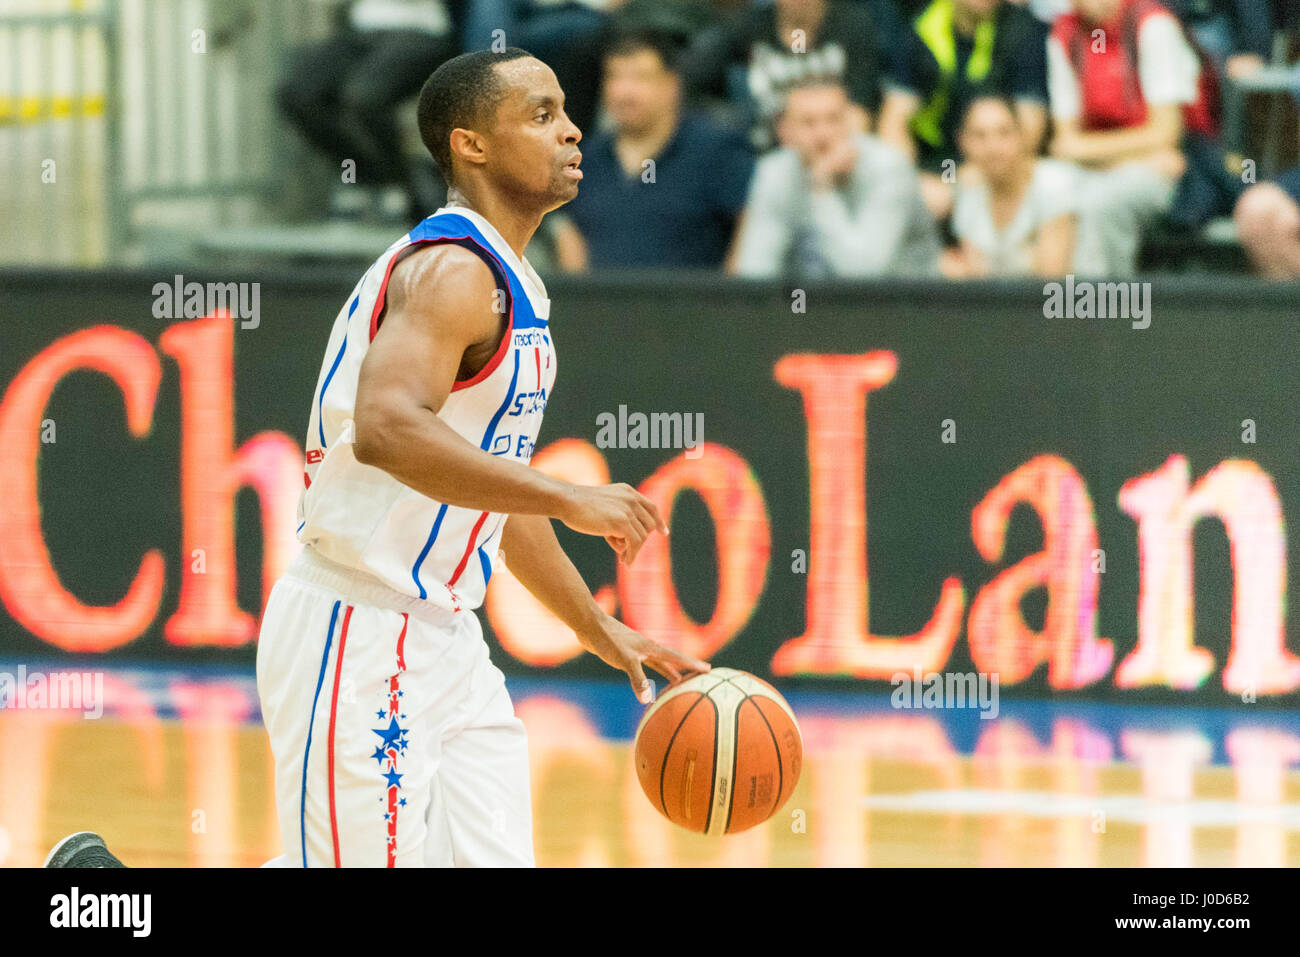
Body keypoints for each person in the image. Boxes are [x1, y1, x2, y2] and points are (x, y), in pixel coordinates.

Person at [48, 49, 709, 870]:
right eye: (541, 115)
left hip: (450, 645)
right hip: (359, 627)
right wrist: (569, 497)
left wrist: (600, 627)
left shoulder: (518, 285)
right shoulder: (451, 273)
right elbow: (387, 428)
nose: (573, 129)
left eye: (567, 110)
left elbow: (487, 495)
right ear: (469, 145)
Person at [551, 29, 755, 271]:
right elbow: (569, 231)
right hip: (603, 305)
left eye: (640, 78)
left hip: (692, 305)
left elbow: (753, 225)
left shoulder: (717, 150)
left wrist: (733, 301)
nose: (624, 92)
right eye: (614, 77)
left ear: (672, 85)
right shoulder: (586, 157)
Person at [1047, 0, 1214, 275]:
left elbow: (1166, 133)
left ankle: (1106, 309)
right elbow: (1065, 141)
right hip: (1117, 163)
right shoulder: (1064, 34)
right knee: (1047, 190)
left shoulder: (1153, 26)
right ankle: (1040, 308)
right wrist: (1120, 155)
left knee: (1102, 203)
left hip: (1176, 170)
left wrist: (1085, 150)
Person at [730, 78, 941, 279]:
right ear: (785, 130)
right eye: (808, 122)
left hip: (904, 304)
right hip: (809, 306)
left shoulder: (889, 169)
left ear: (851, 122)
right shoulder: (774, 172)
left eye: (833, 119)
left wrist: (822, 188)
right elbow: (755, 271)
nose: (823, 133)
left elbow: (863, 275)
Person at [276, 0, 459, 221]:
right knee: (299, 95)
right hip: (359, 30)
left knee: (364, 98)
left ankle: (401, 185)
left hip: (418, 31)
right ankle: (368, 180)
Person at [878, 0, 1049, 221]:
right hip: (934, 161)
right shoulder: (921, 24)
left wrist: (976, 176)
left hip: (993, 161)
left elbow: (1030, 129)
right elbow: (894, 122)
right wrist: (911, 182)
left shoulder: (1024, 30)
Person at [680, 0, 885, 152]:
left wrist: (840, 152)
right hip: (763, 153)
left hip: (835, 149)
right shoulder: (752, 26)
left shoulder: (854, 26)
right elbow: (686, 78)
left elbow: (859, 109)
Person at [946, 94, 1079, 276]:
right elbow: (972, 277)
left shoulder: (1054, 183)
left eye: (1004, 133)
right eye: (979, 135)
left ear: (1021, 136)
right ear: (962, 142)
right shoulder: (967, 189)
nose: (993, 147)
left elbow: (1051, 279)